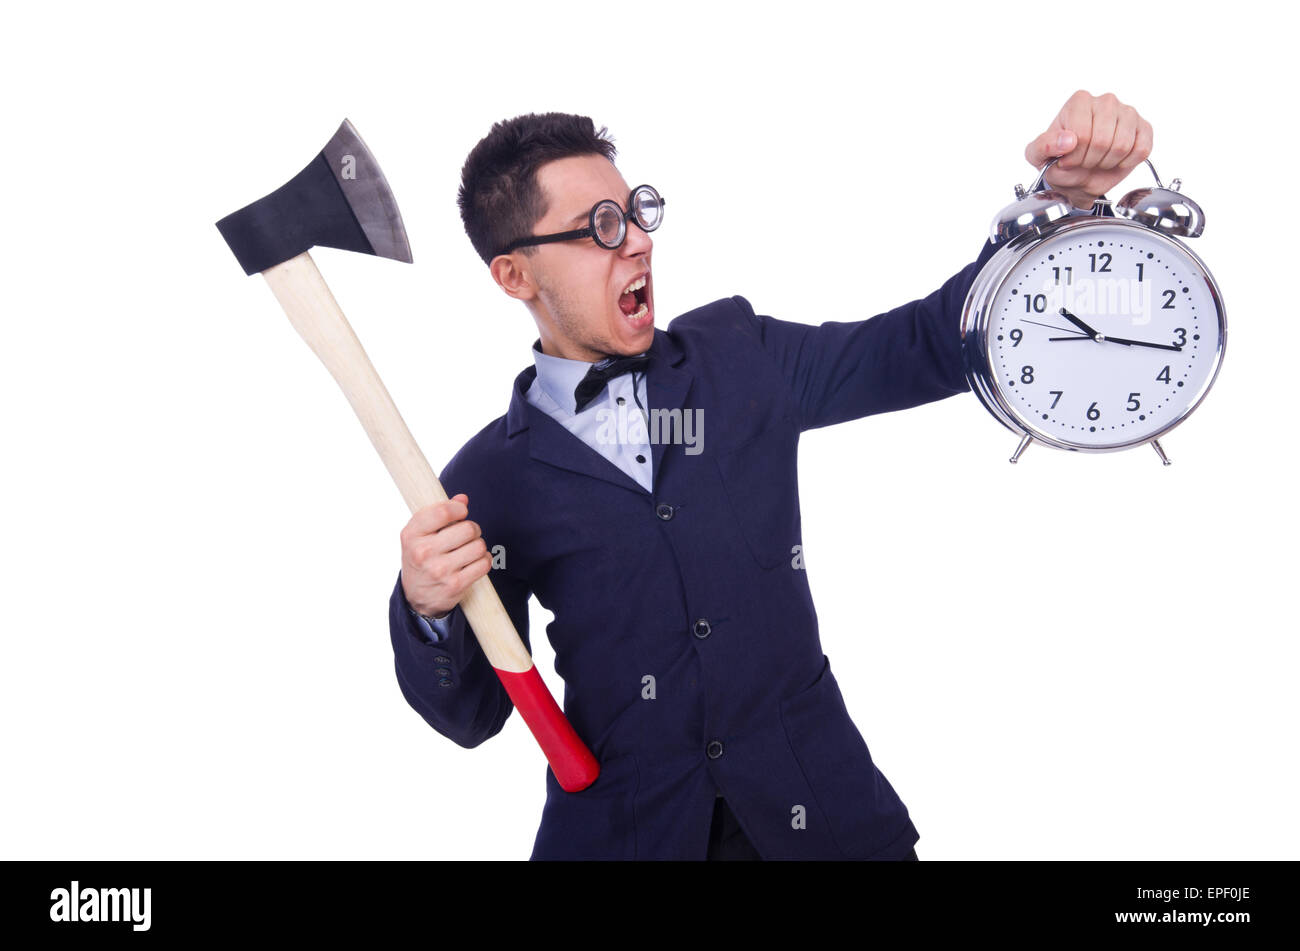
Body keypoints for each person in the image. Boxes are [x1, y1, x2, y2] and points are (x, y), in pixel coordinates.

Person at [389, 92, 1153, 860]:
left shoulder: (739, 358)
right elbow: (472, 715)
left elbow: (927, 342)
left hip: (826, 824)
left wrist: (1063, 206)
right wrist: (427, 608)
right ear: (514, 274)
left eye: (636, 212)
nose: (639, 243)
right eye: (600, 228)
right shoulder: (481, 481)